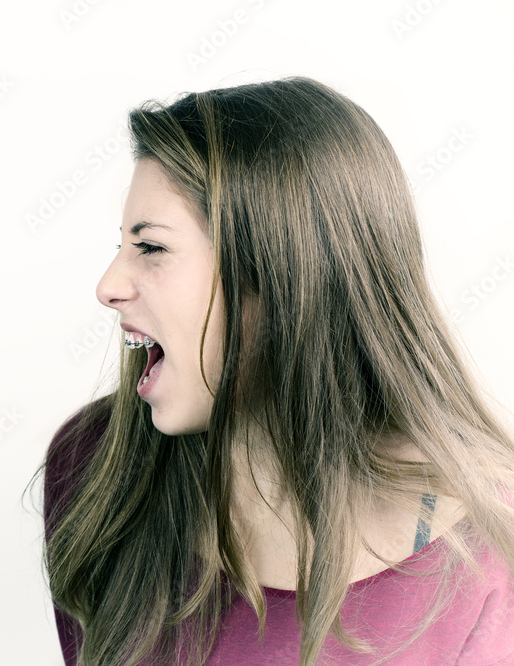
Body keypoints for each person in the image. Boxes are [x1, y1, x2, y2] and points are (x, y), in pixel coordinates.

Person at [43, 78, 514, 665]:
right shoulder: (97, 471)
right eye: (121, 246)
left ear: (284, 276)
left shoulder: (489, 545)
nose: (108, 286)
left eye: (152, 248)